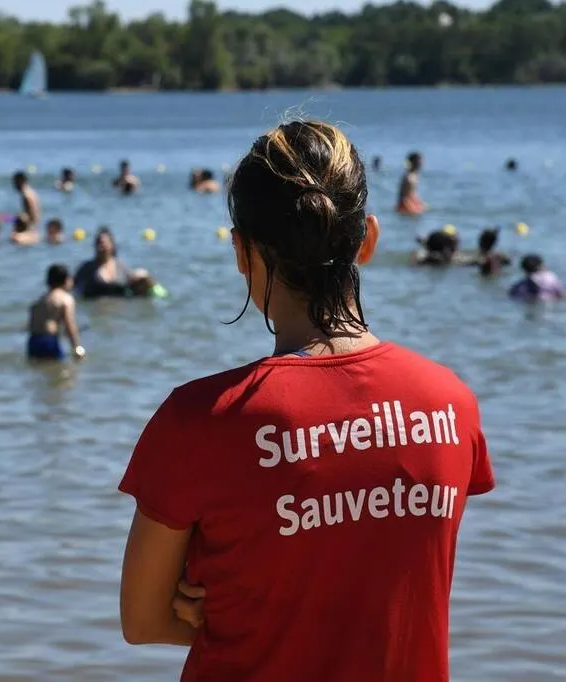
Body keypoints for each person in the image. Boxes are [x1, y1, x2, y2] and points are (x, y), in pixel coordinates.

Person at [118, 121, 494, 682]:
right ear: (367, 239)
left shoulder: (201, 419)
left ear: (242, 252)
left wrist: (221, 610)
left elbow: (143, 620)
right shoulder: (449, 403)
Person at [27, 264, 85, 361]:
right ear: (66, 280)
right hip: (49, 341)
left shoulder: (41, 300)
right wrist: (76, 347)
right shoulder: (65, 299)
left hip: (33, 340)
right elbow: (69, 324)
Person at [73, 227, 132, 299]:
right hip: (94, 306)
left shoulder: (122, 267)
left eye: (103, 243)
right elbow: (74, 288)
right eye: (97, 243)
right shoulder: (86, 269)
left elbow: (132, 288)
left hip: (117, 307)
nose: (100, 247)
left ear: (112, 245)